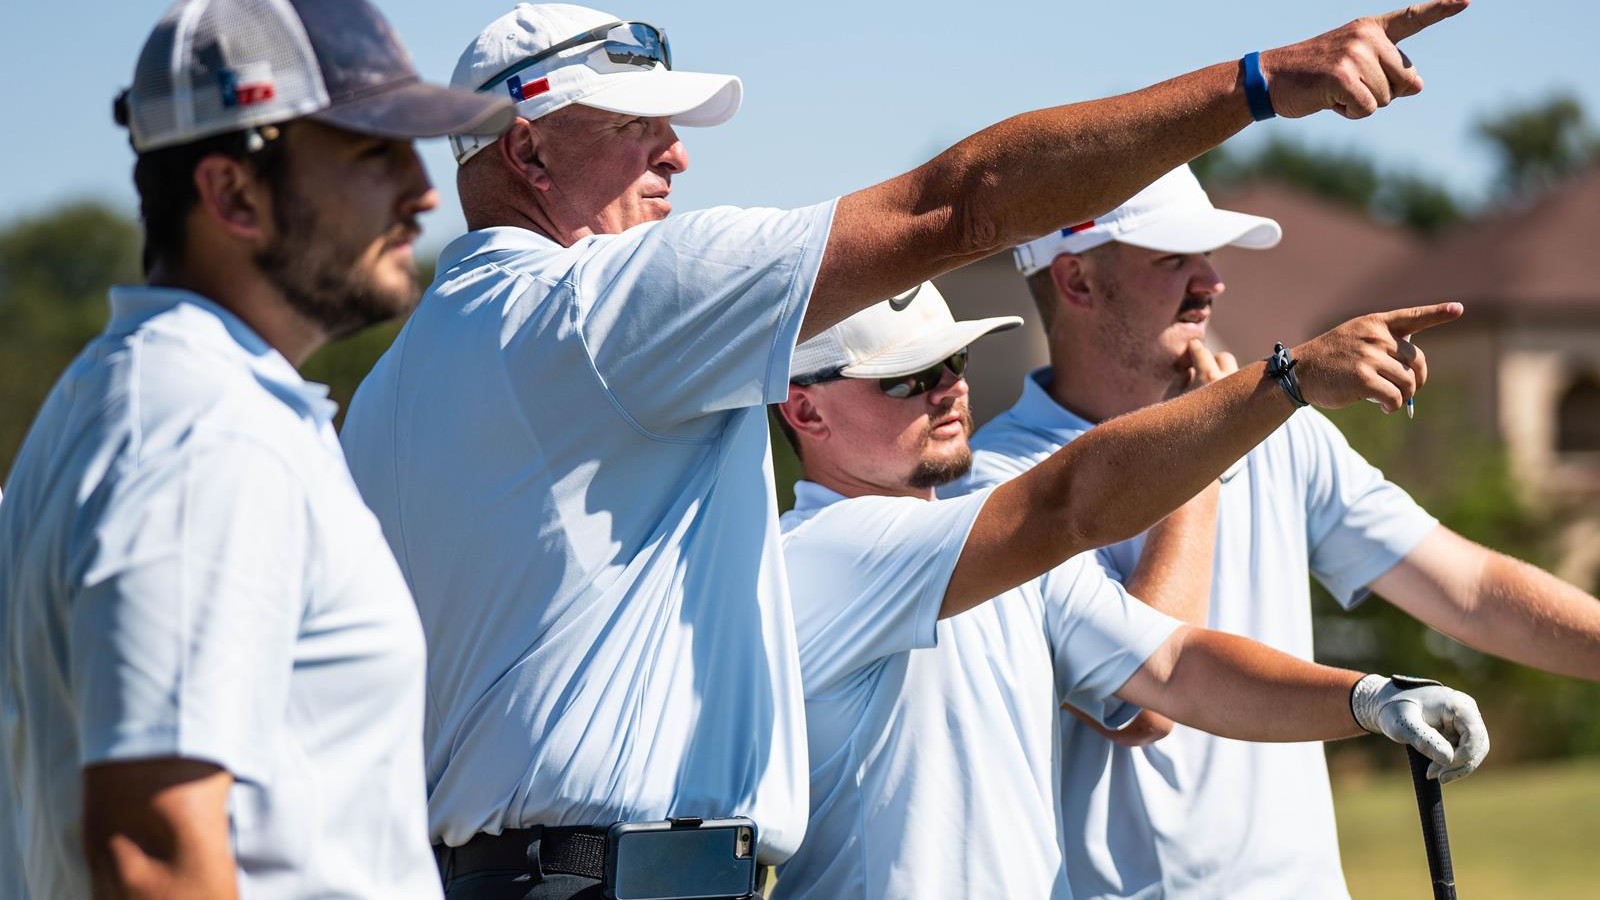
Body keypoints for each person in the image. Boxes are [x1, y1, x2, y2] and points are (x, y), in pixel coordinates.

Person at [337, 2, 1473, 896]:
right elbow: (963, 204)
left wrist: (1364, 694)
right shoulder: (598, 309)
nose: (676, 159)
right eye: (638, 127)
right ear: (529, 152)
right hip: (619, 881)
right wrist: (1257, 85)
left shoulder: (392, 389)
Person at [964, 164, 1600, 899]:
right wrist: (1206, 447)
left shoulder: (1282, 435)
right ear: (1076, 282)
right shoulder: (999, 489)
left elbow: (1470, 590)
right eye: (1173, 258)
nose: (1212, 281)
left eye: (1209, 255)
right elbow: (1150, 702)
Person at [0, 1, 513, 896]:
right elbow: (156, 851)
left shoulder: (131, 395)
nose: (423, 189)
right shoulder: (206, 429)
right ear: (232, 193)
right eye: (372, 149)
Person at [770, 282, 1487, 899]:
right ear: (805, 412)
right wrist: (1283, 382)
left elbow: (1173, 669)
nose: (950, 387)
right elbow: (1066, 503)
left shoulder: (995, 556)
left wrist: (1370, 699)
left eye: (954, 360)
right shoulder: (821, 555)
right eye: (907, 377)